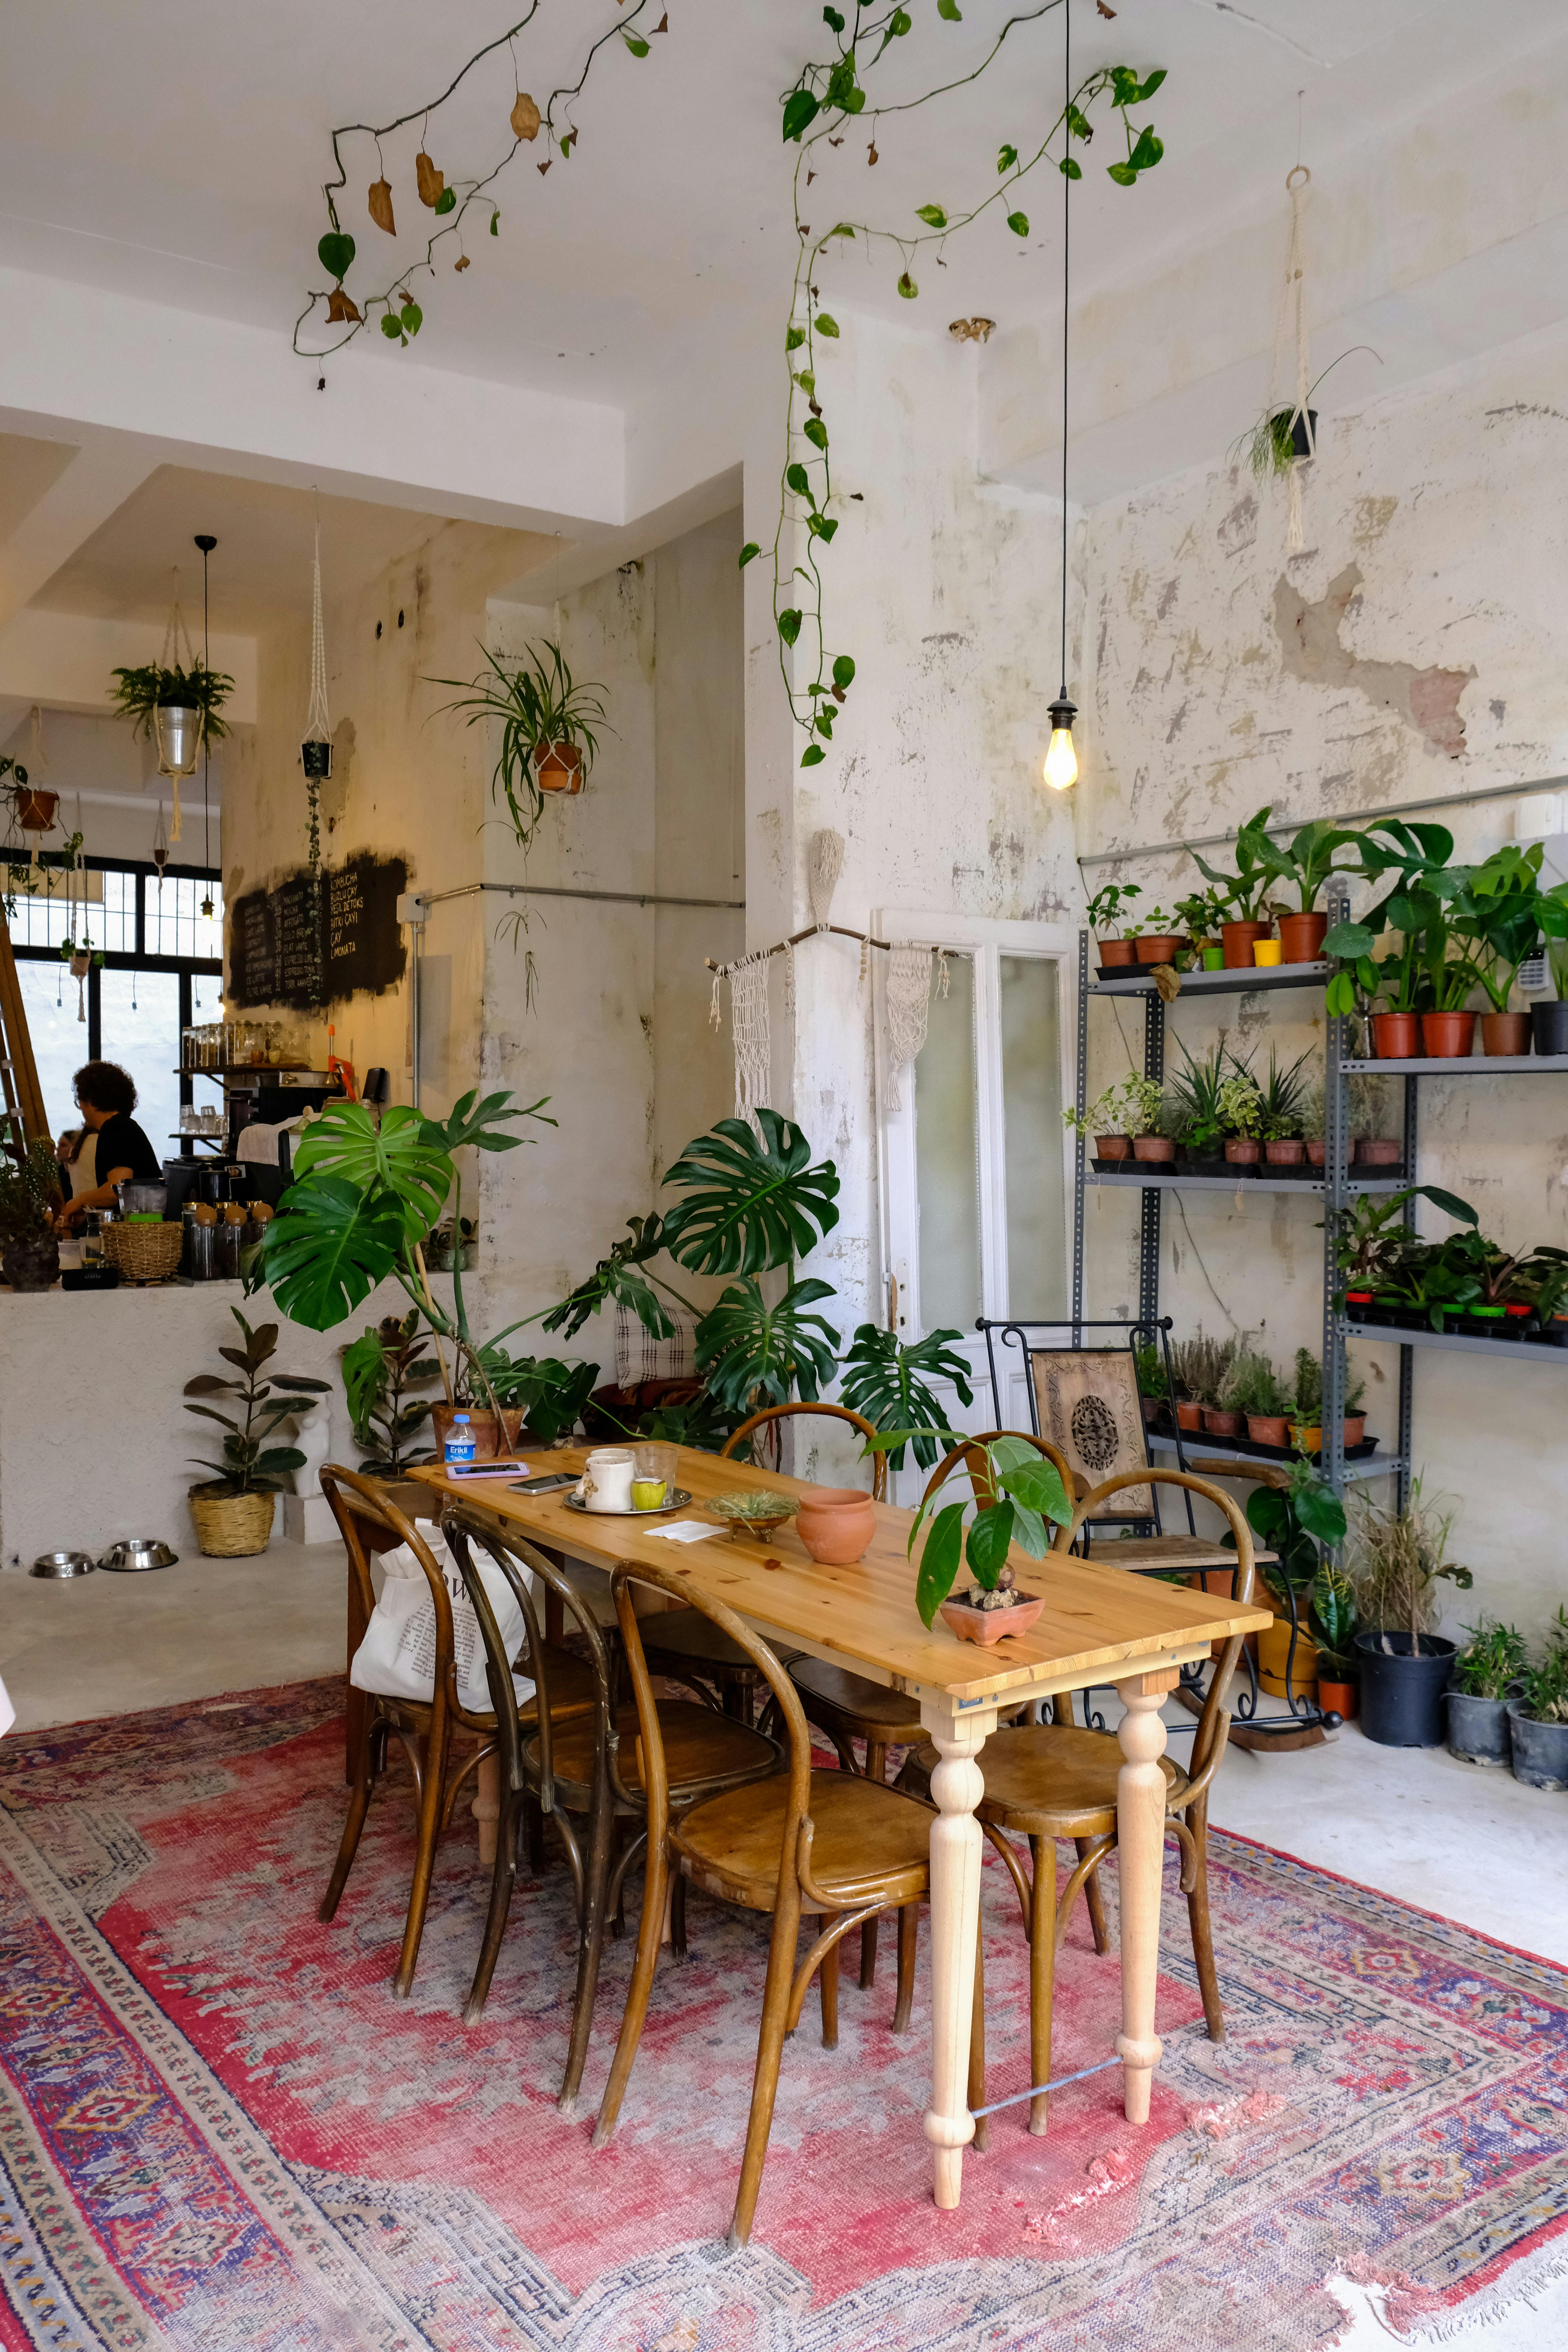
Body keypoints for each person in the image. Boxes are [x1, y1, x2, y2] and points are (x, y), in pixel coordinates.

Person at [57, 1061, 163, 1230]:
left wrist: (79, 1201)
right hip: (145, 1230)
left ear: (90, 1101)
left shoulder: (116, 1129)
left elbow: (118, 1190)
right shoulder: (124, 1127)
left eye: (80, 1103)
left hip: (139, 1235)